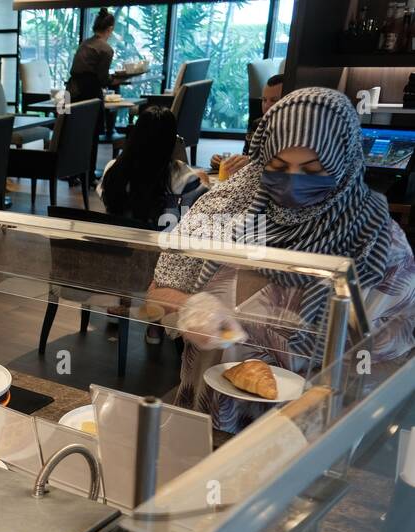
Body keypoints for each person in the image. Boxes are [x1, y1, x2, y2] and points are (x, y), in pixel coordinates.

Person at [149, 87, 415, 432]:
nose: (292, 180)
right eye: (277, 165)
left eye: (312, 168)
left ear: (343, 161)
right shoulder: (223, 208)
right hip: (204, 415)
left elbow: (392, 360)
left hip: (309, 431)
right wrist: (187, 307)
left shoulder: (378, 242)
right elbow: (157, 293)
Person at [98, 105, 208, 227]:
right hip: (163, 242)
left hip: (116, 240)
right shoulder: (185, 178)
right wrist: (204, 181)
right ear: (171, 141)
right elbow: (195, 216)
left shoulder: (112, 169)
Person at [68, 8, 115, 104]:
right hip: (89, 93)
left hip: (71, 90)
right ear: (110, 29)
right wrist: (116, 78)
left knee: (72, 119)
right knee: (94, 119)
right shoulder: (106, 49)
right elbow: (103, 79)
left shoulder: (84, 44)